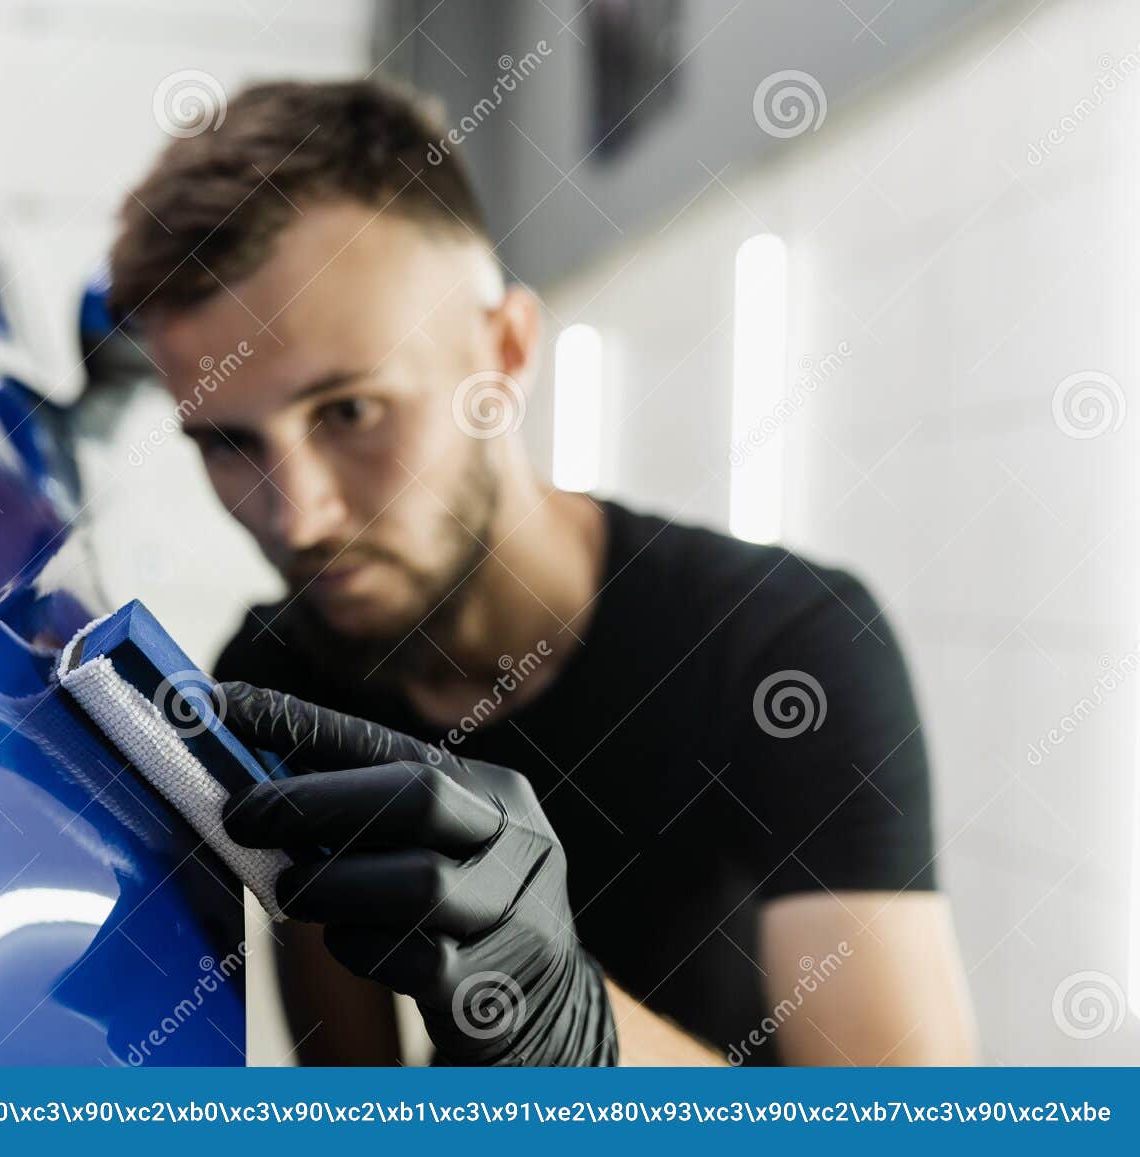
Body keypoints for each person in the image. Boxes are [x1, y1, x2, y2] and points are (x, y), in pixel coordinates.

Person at [106, 80, 976, 1065]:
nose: (298, 514)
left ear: (506, 353)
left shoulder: (781, 647)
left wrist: (576, 1031)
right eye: (228, 441)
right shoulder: (278, 677)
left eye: (349, 411)